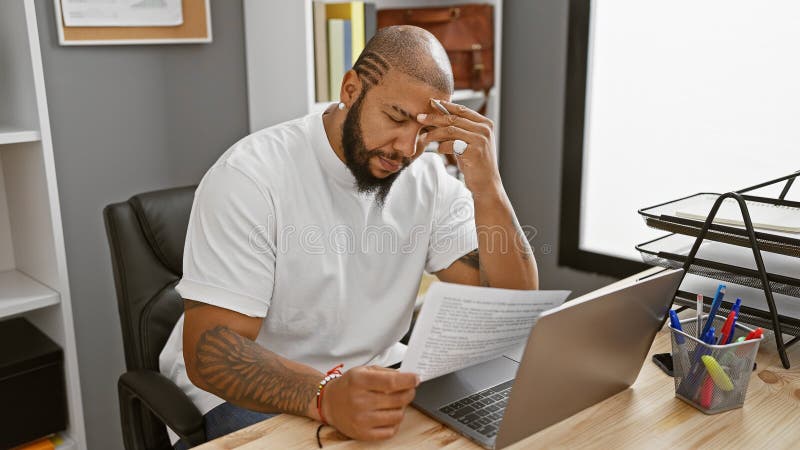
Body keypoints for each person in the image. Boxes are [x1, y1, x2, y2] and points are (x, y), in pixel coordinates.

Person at [160, 25, 538, 449]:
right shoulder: (251, 177)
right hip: (249, 391)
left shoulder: (426, 177)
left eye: (425, 129)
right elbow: (210, 352)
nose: (407, 147)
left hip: (373, 376)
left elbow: (510, 310)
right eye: (396, 118)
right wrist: (325, 396)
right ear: (351, 88)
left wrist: (488, 186)